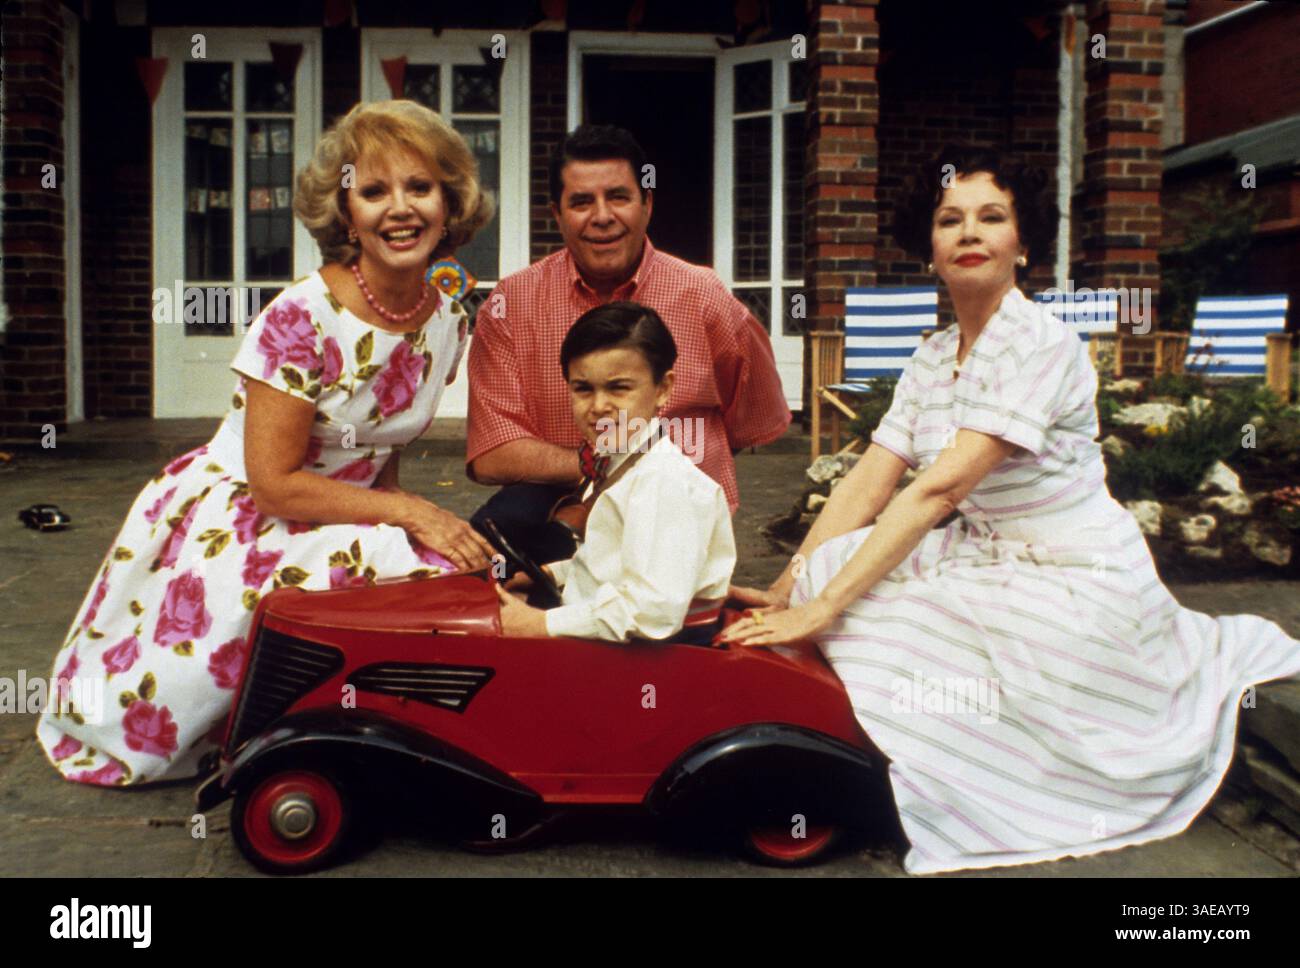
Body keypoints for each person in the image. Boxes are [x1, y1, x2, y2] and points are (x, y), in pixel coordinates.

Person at [724, 145, 1300, 874]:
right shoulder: (933, 355)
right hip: (988, 555)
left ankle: (963, 779)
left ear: (1022, 246)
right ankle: (875, 743)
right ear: (929, 246)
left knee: (853, 606)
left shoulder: (1041, 342)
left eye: (991, 218)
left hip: (1075, 577)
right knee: (830, 570)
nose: (969, 233)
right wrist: (788, 589)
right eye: (949, 220)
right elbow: (871, 478)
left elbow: (939, 489)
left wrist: (820, 608)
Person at [36, 100, 496, 786]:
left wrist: (406, 512)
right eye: (373, 192)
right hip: (249, 516)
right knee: (421, 565)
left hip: (342, 510)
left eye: (420, 188)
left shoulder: (448, 320)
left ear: (451, 201)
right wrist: (411, 517)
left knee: (459, 568)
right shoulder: (301, 315)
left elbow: (382, 455)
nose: (400, 209)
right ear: (345, 215)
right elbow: (273, 484)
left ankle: (379, 722)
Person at [466, 124, 790, 566]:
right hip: (555, 509)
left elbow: (751, 420)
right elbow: (492, 454)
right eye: (581, 202)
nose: (602, 216)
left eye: (618, 197)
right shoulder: (512, 303)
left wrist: (663, 475)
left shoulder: (705, 295)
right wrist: (601, 467)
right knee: (497, 551)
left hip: (678, 509)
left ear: (647, 205)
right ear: (556, 216)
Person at [495, 302, 735, 644]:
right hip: (613, 635)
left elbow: (651, 612)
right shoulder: (623, 459)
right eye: (583, 388)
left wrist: (541, 624)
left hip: (655, 658)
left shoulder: (661, 482)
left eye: (619, 388)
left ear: (663, 389)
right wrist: (554, 572)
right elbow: (618, 561)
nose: (598, 406)